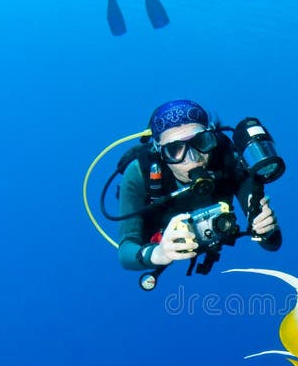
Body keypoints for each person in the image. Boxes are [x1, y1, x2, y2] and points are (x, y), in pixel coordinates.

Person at [117, 99, 282, 280]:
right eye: (174, 149)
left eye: (201, 141)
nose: (193, 158)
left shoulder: (227, 158)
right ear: (159, 152)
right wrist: (158, 254)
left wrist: (265, 227)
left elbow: (272, 243)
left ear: (211, 137)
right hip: (161, 240)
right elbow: (126, 251)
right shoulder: (139, 174)